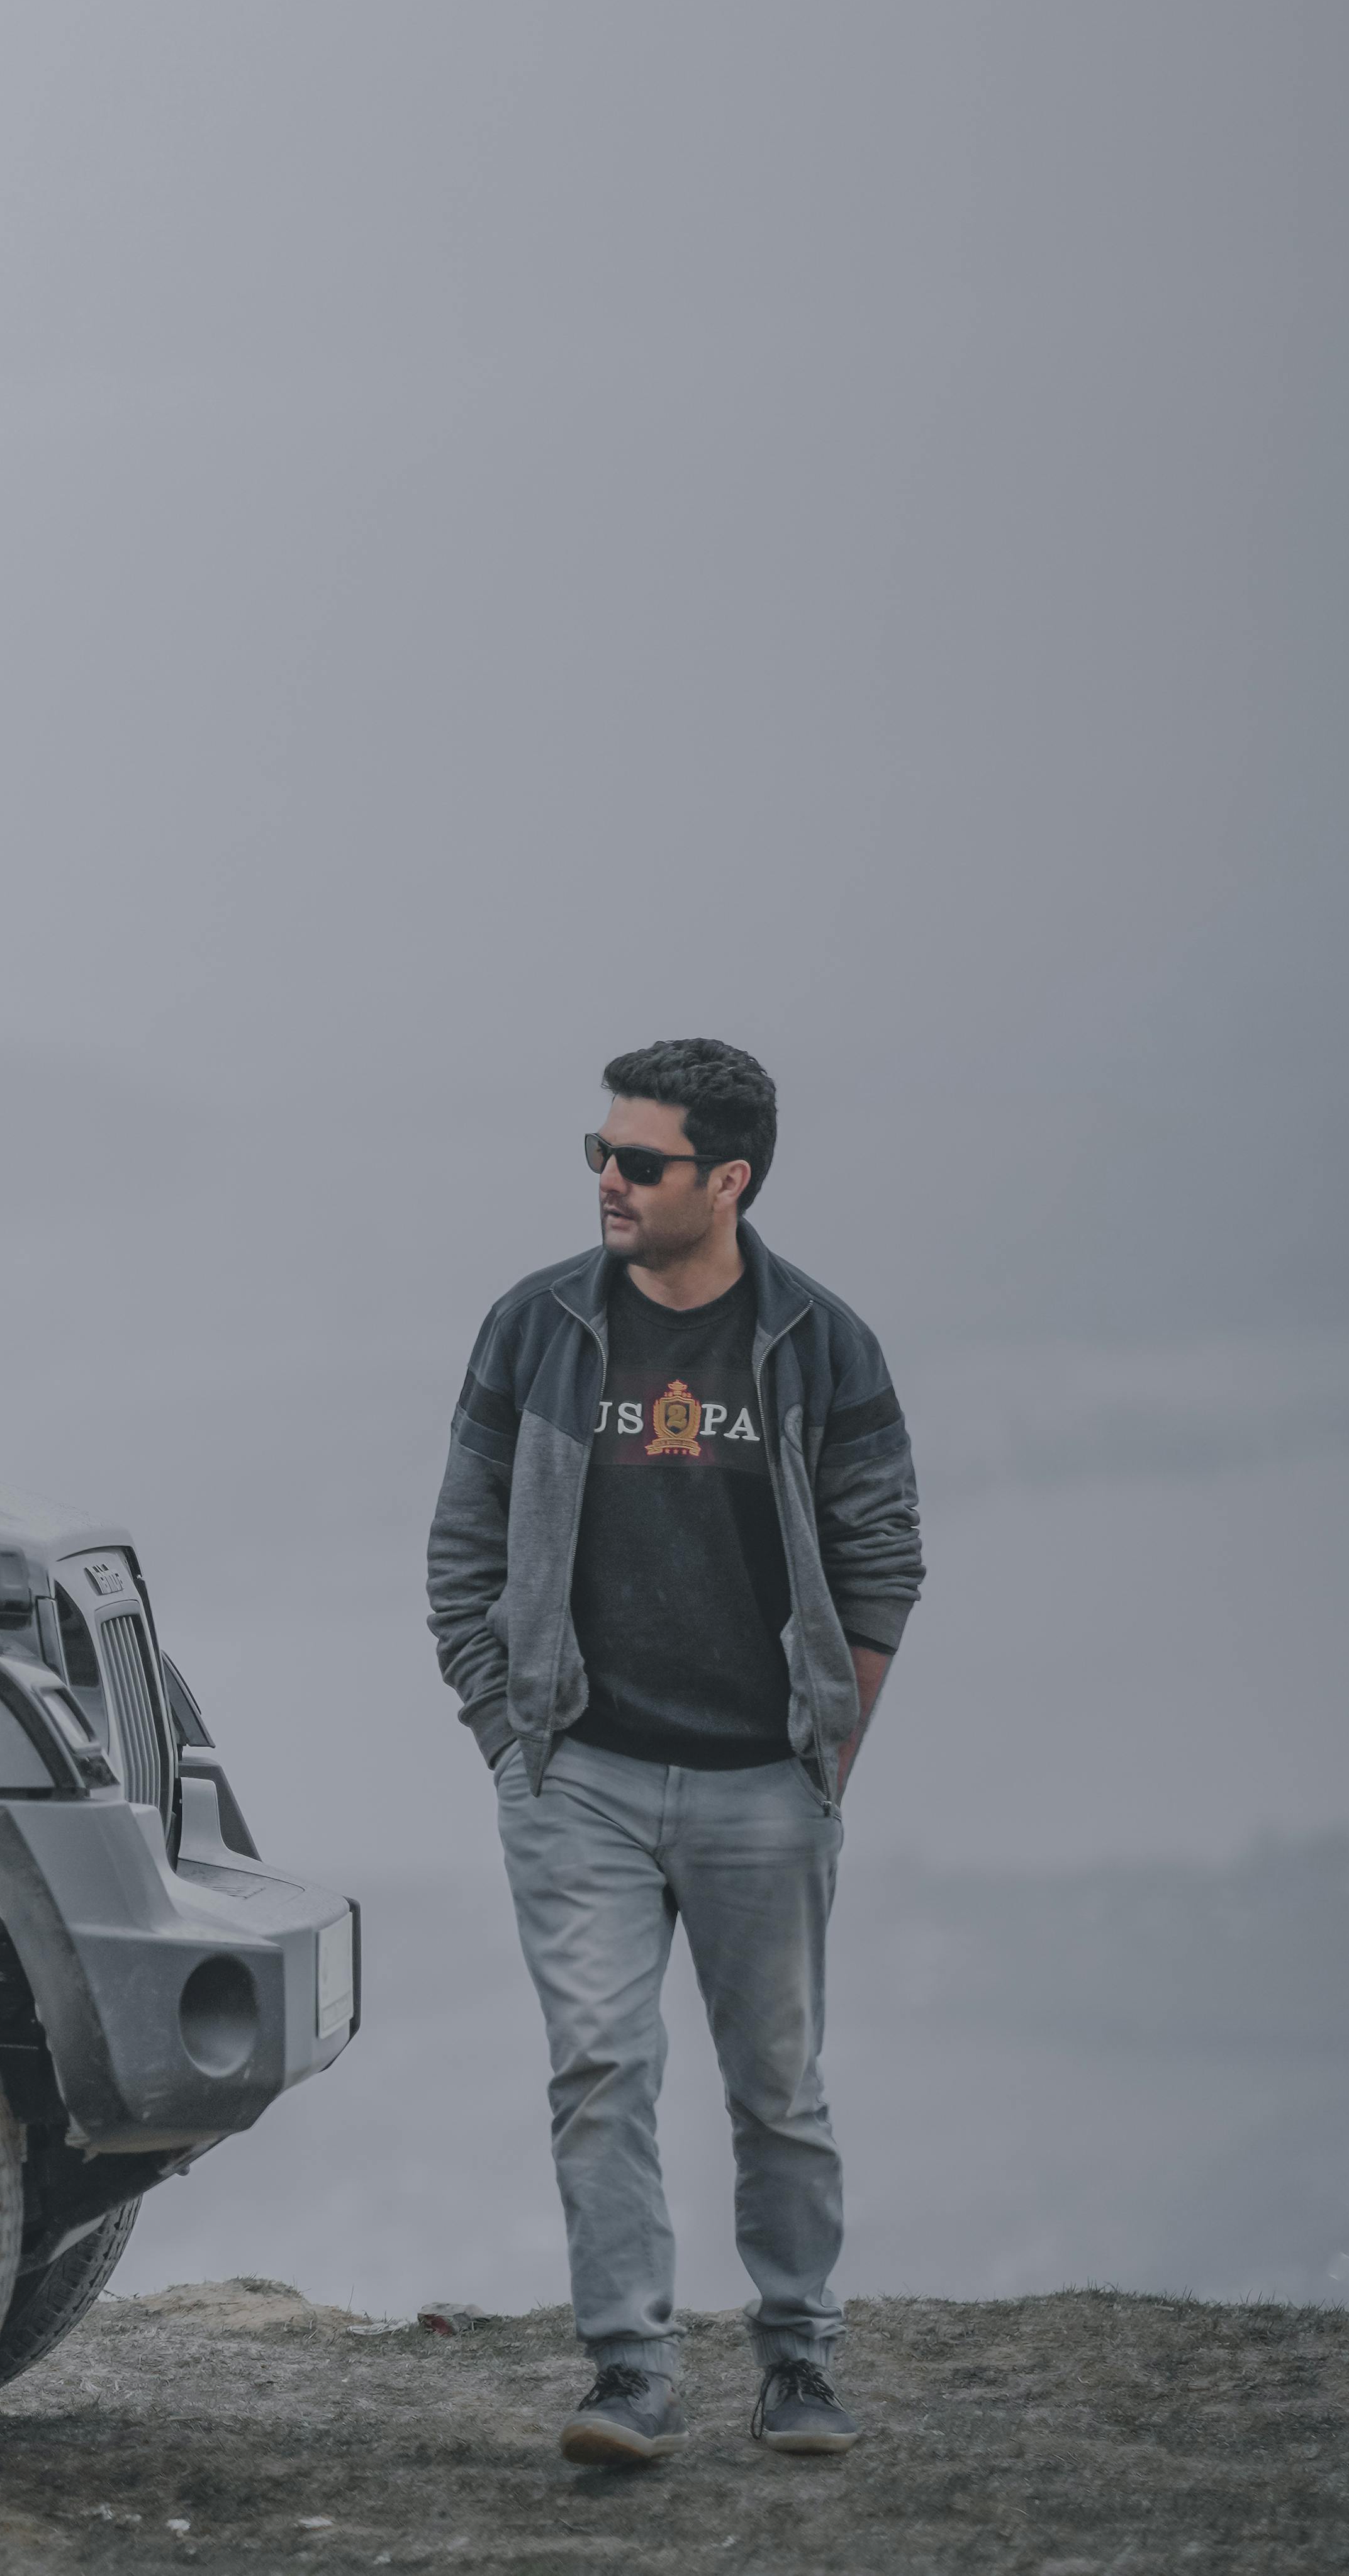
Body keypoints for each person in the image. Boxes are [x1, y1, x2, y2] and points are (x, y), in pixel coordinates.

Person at [425, 1037, 924, 2468]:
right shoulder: (534, 1328)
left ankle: (796, 2359)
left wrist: (828, 1747)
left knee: (777, 2083)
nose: (606, 1180)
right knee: (597, 2068)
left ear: (728, 1178)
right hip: (575, 1774)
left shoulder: (821, 1343)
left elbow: (881, 1560)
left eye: (637, 1161)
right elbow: (462, 1549)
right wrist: (505, 1729)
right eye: (598, 1152)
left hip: (763, 1783)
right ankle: (629, 2372)